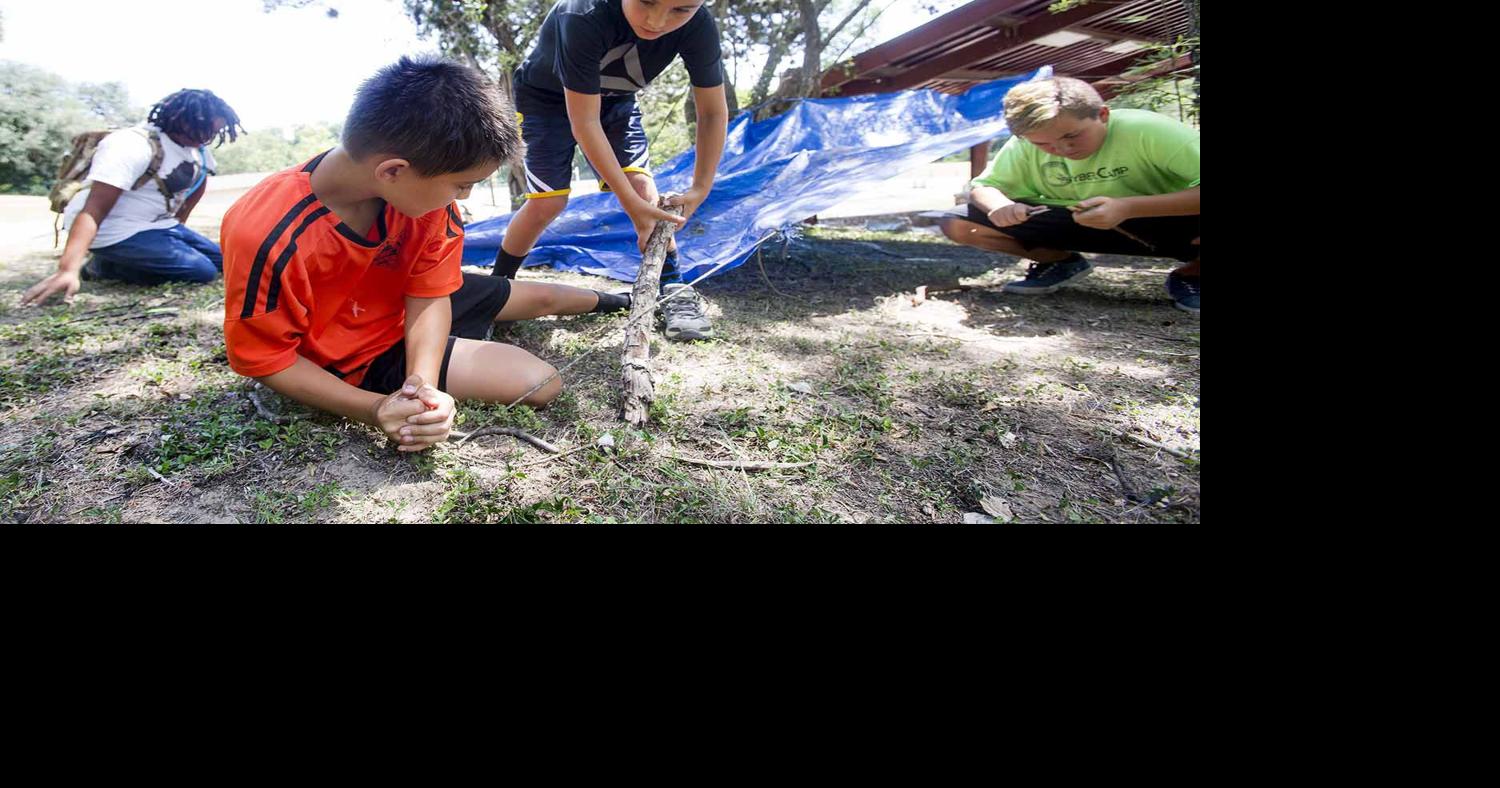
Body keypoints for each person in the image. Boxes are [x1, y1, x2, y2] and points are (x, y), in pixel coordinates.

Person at [220, 56, 629, 453]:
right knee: (539, 381)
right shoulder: (266, 230)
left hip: (400, 302)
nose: (463, 197)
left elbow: (430, 295)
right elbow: (265, 358)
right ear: (392, 171)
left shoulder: (428, 202)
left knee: (543, 297)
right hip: (359, 354)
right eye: (462, 185)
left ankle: (624, 300)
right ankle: (468, 337)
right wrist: (378, 407)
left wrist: (422, 384)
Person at [497, 0, 729, 339]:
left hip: (617, 101)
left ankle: (674, 289)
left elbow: (711, 112)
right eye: (647, 1)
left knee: (643, 191)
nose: (657, 20)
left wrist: (700, 187)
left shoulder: (700, 26)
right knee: (548, 202)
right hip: (544, 101)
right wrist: (630, 206)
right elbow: (585, 122)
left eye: (681, 9)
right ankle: (498, 289)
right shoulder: (582, 15)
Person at [939, 77, 1200, 313]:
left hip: (1161, 220)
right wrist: (1000, 206)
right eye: (1043, 144)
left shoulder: (1148, 130)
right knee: (960, 222)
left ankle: (1192, 275)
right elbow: (985, 187)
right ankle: (1058, 262)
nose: (1062, 148)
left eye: (1072, 135)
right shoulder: (1024, 144)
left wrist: (1127, 207)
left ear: (1103, 114)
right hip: (1072, 219)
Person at [21, 89, 244, 306]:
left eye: (214, 134)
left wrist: (177, 232)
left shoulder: (196, 149)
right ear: (182, 120)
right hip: (114, 229)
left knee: (228, 262)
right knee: (200, 271)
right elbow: (94, 208)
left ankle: (122, 259)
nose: (207, 138)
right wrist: (67, 269)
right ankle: (102, 267)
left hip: (156, 226)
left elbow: (196, 185)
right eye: (203, 130)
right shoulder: (132, 144)